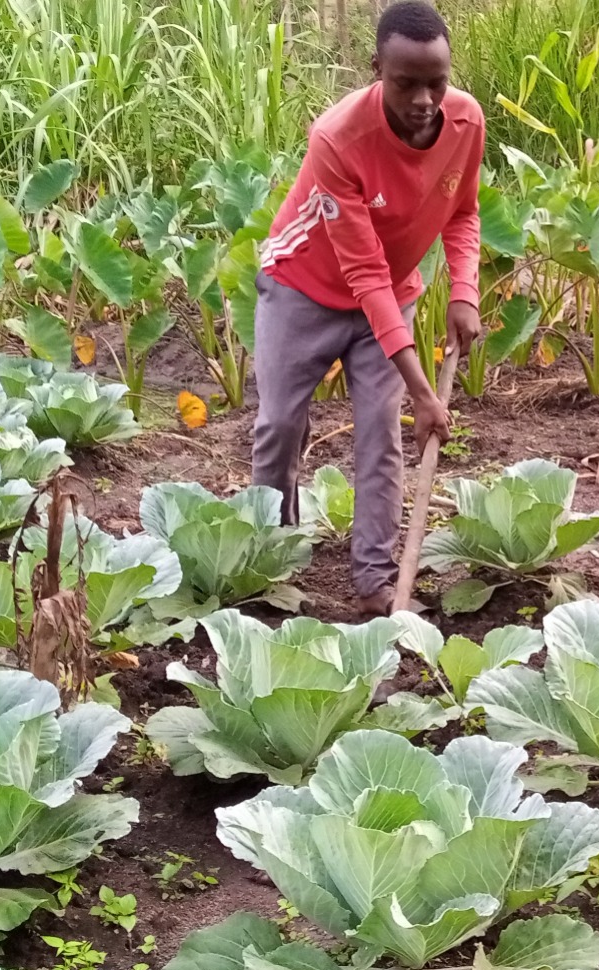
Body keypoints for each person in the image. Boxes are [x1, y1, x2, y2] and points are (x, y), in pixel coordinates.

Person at [252, 0, 484, 617]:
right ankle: (270, 560)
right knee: (279, 424)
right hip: (301, 285)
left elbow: (461, 214)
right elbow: (362, 271)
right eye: (406, 83)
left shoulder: (465, 123)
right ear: (375, 67)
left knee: (381, 434)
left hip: (392, 291)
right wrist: (423, 391)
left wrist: (464, 292)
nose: (424, 100)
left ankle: (375, 580)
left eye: (437, 82)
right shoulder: (339, 137)